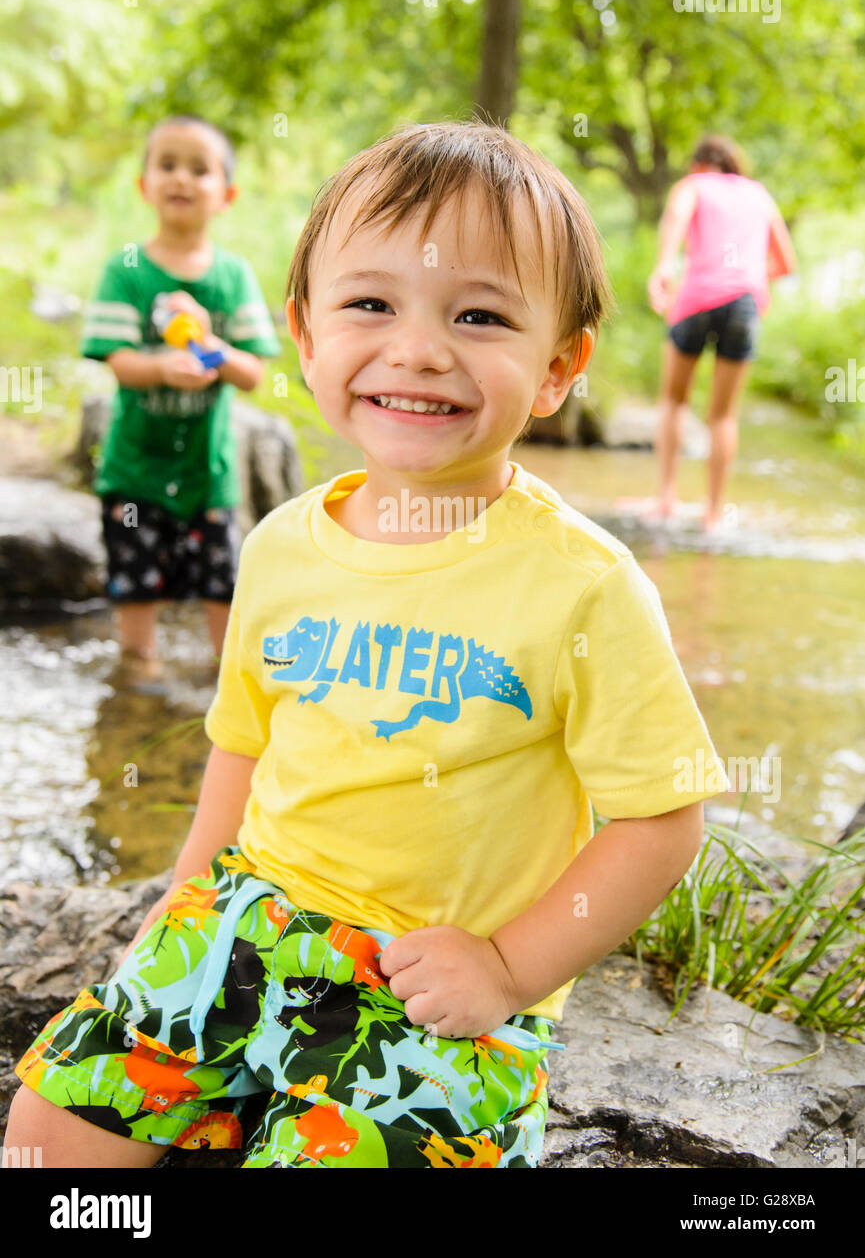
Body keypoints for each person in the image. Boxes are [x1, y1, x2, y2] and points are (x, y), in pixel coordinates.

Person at [8, 120, 730, 1170]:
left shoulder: (582, 584)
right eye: (370, 305)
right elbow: (243, 742)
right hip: (247, 924)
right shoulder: (281, 546)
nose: (419, 348)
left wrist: (507, 966)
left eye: (480, 315)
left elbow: (662, 818)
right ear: (302, 336)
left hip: (426, 980)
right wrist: (187, 888)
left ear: (557, 366)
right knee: (45, 1142)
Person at [80, 114, 282, 684]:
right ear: (144, 185)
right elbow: (119, 363)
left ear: (227, 194)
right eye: (167, 165)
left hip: (208, 474)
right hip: (134, 470)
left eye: (200, 169)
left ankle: (226, 682)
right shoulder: (126, 271)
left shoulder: (233, 276)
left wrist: (211, 350)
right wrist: (165, 368)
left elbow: (251, 374)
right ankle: (140, 676)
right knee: (136, 582)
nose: (182, 179)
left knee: (221, 584)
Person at [647, 134, 796, 531]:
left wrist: (663, 266)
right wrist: (745, 277)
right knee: (724, 415)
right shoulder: (758, 194)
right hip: (744, 302)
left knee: (674, 401)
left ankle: (666, 500)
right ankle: (713, 515)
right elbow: (785, 262)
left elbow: (676, 217)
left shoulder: (693, 185)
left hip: (696, 298)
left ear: (698, 165)